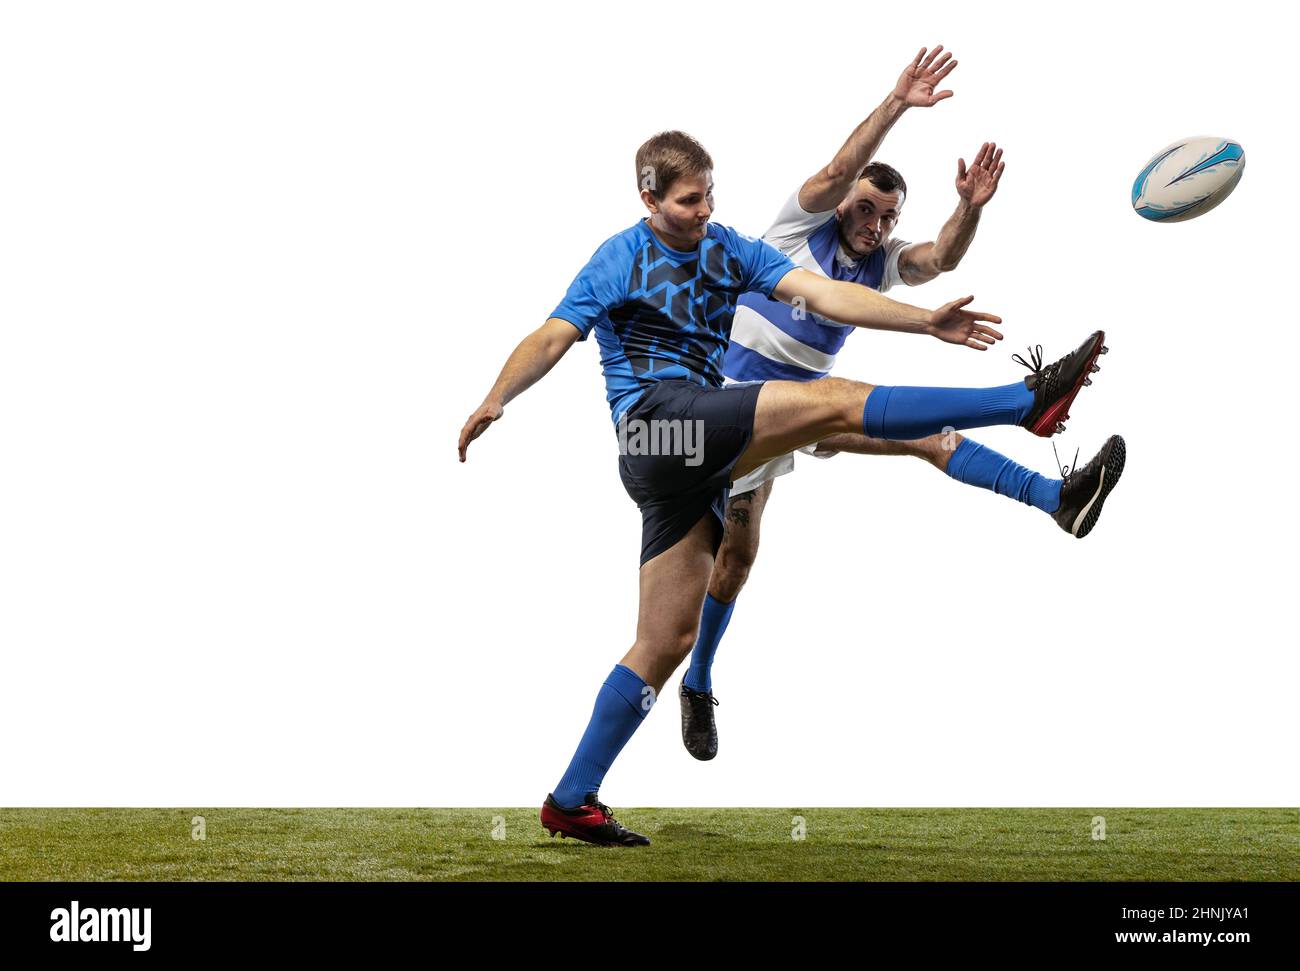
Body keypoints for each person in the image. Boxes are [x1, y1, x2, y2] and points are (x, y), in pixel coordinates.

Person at [458, 124, 1115, 847]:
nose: (703, 210)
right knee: (832, 402)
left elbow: (823, 295)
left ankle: (572, 798)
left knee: (666, 635)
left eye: (709, 195)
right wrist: (498, 395)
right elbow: (554, 333)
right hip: (656, 427)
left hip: (702, 449)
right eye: (687, 200)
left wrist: (926, 320)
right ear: (648, 197)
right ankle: (1025, 403)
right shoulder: (621, 256)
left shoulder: (730, 246)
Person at [679, 46, 1126, 762]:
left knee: (931, 437)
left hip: (807, 411)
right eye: (866, 208)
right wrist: (895, 103)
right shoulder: (795, 231)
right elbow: (831, 174)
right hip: (736, 405)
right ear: (843, 202)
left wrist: (967, 209)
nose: (876, 225)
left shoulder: (881, 262)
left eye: (888, 217)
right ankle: (696, 680)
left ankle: (1055, 496)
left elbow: (939, 258)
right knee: (736, 556)